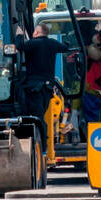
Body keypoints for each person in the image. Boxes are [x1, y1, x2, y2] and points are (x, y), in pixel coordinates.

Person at [14, 21, 70, 150]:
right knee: (40, 114)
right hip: (47, 88)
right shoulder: (52, 43)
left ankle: (40, 146)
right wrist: (67, 43)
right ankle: (43, 145)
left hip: (34, 88)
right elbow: (65, 48)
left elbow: (20, 46)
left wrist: (19, 35)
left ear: (36, 33)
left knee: (35, 117)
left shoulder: (34, 43)